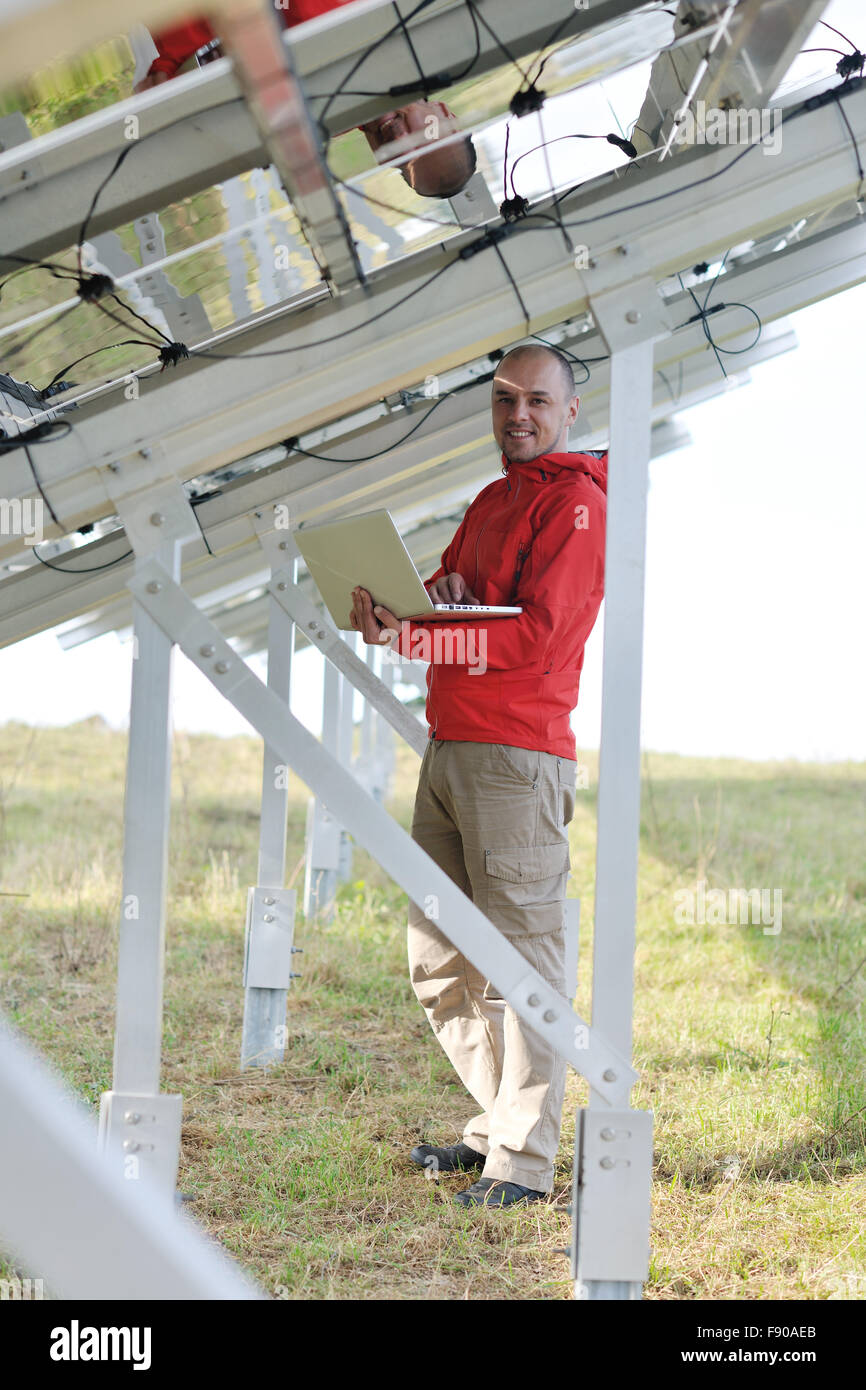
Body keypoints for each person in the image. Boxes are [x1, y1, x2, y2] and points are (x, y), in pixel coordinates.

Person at [350, 343, 607, 1208]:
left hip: (516, 759)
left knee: (524, 962)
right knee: (440, 959)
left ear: (571, 410)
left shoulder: (577, 507)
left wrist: (416, 635)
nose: (518, 415)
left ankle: (525, 1164)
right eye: (504, 399)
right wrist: (392, 611)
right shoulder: (492, 499)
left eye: (537, 400)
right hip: (450, 746)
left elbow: (535, 637)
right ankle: (500, 1122)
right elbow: (444, 592)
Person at [133, 0, 477, 200]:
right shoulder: (390, 23)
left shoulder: (300, 127)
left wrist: (170, 83)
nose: (401, 141)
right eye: (423, 139)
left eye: (404, 162)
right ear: (444, 113)